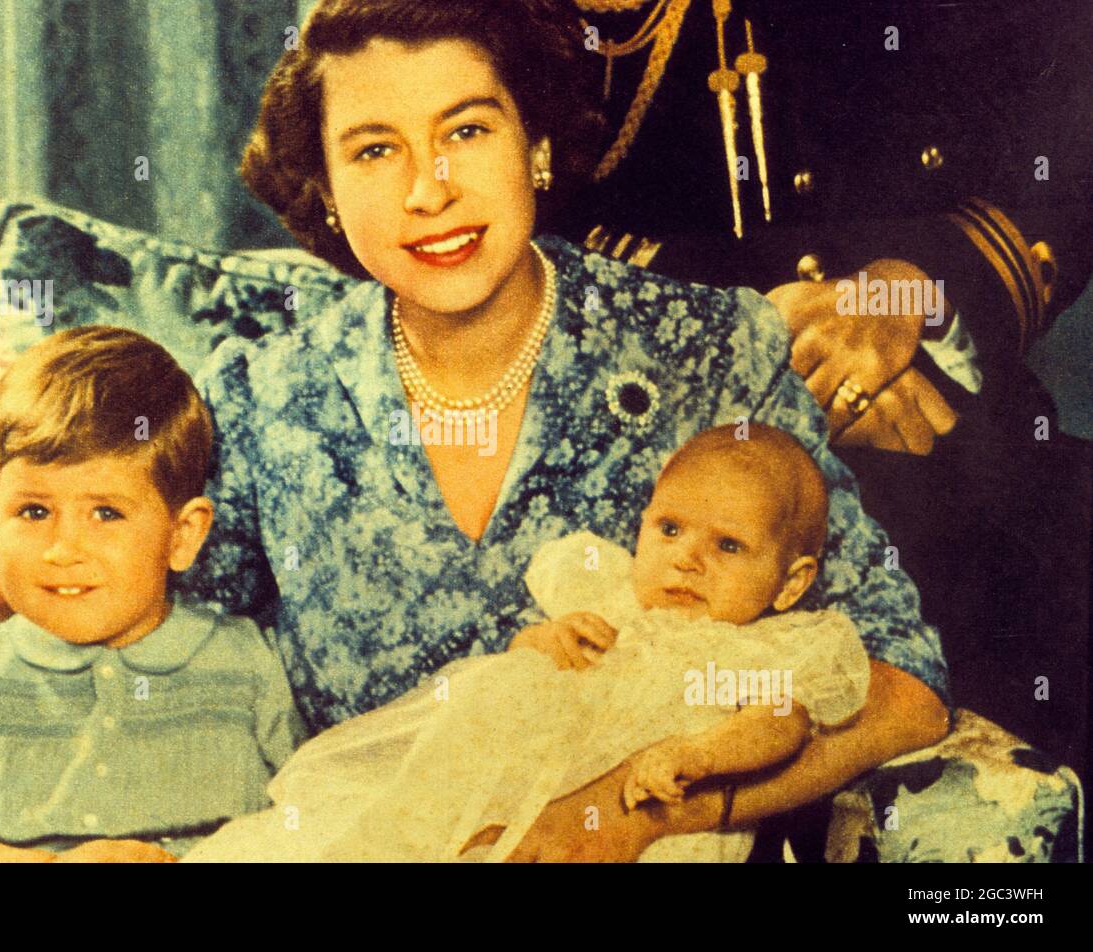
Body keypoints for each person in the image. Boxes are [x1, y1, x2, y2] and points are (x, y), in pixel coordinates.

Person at [181, 0, 950, 862]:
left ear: (537, 146)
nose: (428, 190)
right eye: (374, 150)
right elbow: (144, 632)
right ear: (324, 187)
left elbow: (904, 687)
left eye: (466, 131)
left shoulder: (708, 355)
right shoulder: (265, 398)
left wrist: (630, 818)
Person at [546, 0, 1093, 780]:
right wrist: (759, 336)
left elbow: (1060, 158)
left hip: (943, 426)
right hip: (647, 466)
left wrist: (913, 288)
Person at [184, 424, 870, 863]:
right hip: (508, 776)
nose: (687, 559)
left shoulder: (761, 651)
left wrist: (694, 754)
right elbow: (522, 659)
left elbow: (781, 724)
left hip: (641, 813)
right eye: (669, 530)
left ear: (790, 582)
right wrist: (549, 638)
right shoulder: (610, 598)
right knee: (416, 795)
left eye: (727, 545)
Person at [0, 327, 303, 862]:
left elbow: (309, 811)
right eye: (34, 512)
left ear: (182, 535)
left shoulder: (247, 661)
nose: (63, 549)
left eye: (107, 513)